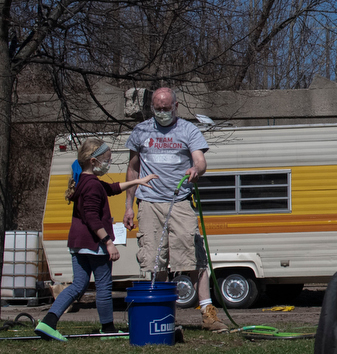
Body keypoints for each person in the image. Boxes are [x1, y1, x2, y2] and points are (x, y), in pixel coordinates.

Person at [123, 87, 227, 332]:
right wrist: (128, 206)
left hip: (179, 201)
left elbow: (200, 160)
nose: (161, 113)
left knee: (193, 255)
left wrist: (196, 170)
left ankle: (208, 313)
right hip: (149, 202)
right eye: (157, 109)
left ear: (175, 106)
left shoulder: (188, 130)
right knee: (153, 259)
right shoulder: (141, 131)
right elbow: (132, 169)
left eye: (166, 108)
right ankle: (161, 313)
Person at [36, 139, 159, 341]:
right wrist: (108, 242)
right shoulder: (92, 185)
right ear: (94, 161)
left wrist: (137, 181)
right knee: (103, 285)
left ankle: (48, 322)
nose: (108, 164)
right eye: (107, 160)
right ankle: (108, 328)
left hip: (78, 243)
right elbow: (92, 217)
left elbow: (111, 188)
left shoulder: (84, 180)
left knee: (77, 286)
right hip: (94, 244)